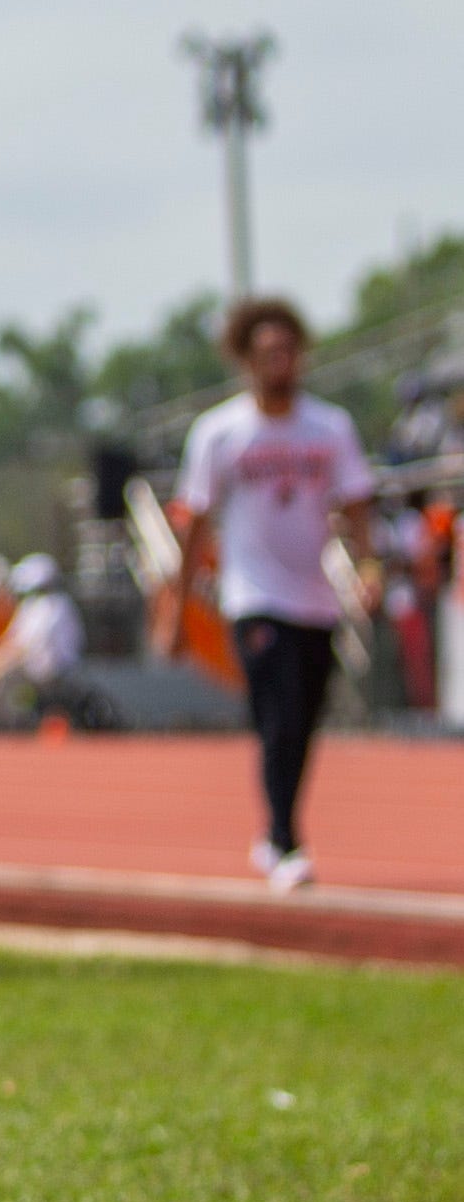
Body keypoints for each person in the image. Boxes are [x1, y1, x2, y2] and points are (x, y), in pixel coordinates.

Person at [166, 297, 375, 891]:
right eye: (267, 352)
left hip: (317, 597)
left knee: (303, 718)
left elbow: (357, 500)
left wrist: (368, 564)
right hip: (252, 594)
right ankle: (285, 840)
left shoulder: (330, 427)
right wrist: (178, 612)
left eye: (288, 350)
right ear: (246, 359)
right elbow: (195, 524)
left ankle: (276, 832)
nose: (279, 361)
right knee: (279, 716)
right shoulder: (219, 433)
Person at [0, 553, 86, 711]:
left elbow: (21, 649)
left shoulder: (53, 606)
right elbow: (11, 640)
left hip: (51, 676)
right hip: (31, 671)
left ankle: (1, 728)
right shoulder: (31, 606)